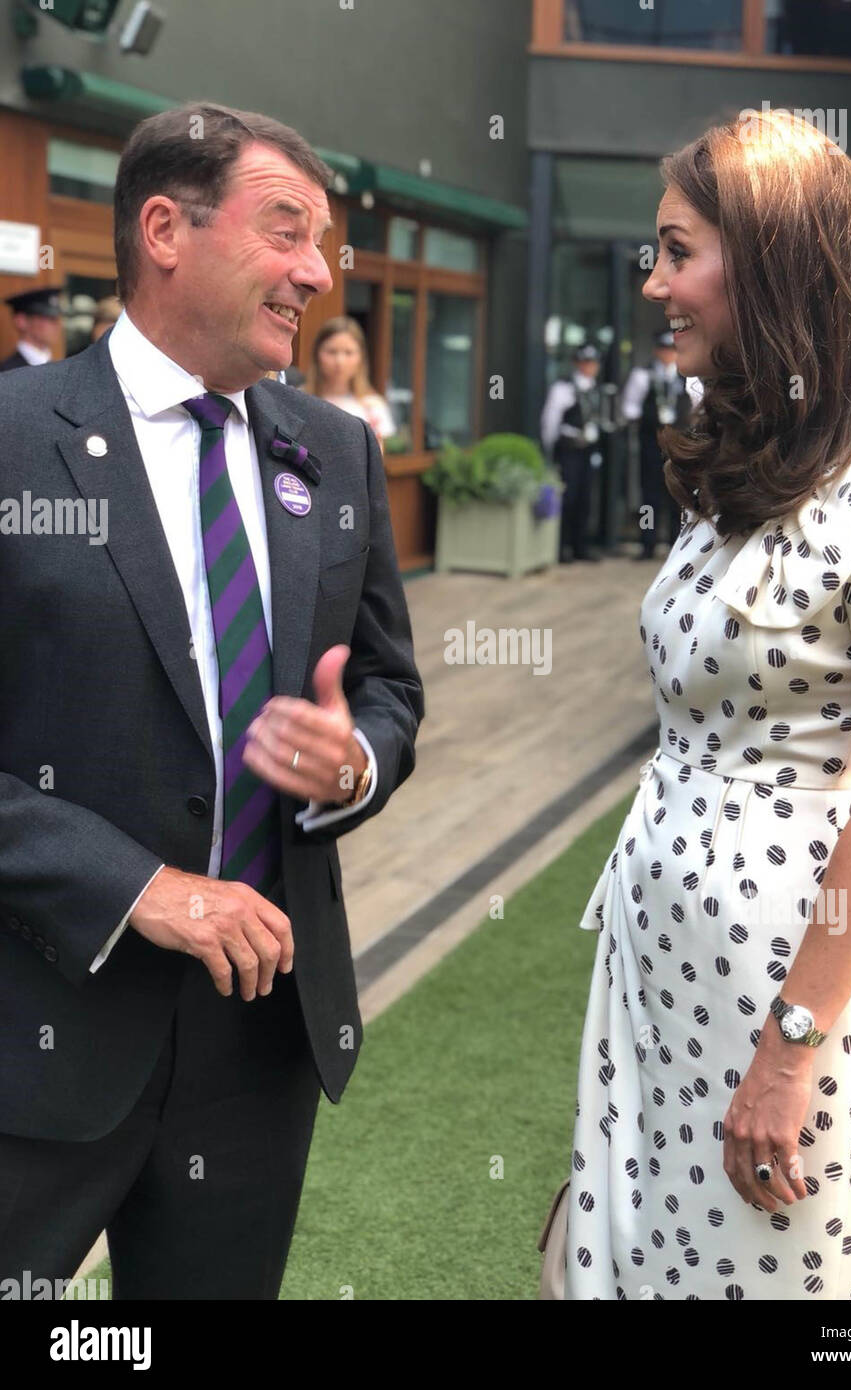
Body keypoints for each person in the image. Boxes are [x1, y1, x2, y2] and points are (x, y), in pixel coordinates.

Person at [0, 101, 424, 1299]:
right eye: (288, 230)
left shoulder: (334, 453)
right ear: (164, 228)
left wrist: (357, 765)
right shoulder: (12, 438)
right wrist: (140, 888)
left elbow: (388, 685)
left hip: (258, 1039)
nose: (315, 273)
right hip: (33, 1031)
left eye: (326, 242)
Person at [564, 108, 851, 1300]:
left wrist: (792, 1052)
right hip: (663, 955)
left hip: (785, 981)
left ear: (777, 257)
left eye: (678, 250)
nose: (654, 283)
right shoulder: (747, 458)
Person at [621, 328, 702, 560]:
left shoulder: (686, 376)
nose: (668, 355)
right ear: (657, 351)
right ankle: (648, 542)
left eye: (672, 350)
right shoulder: (643, 375)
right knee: (650, 494)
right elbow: (630, 407)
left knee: (679, 493)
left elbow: (697, 405)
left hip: (679, 443)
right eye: (664, 350)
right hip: (652, 441)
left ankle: (676, 543)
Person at [540, 342, 604, 563]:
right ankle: (560, 547)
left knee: (586, 498)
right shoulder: (563, 388)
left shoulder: (596, 388)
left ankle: (580, 546)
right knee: (568, 497)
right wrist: (550, 448)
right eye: (585, 362)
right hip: (569, 450)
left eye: (593, 363)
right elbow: (550, 421)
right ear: (577, 363)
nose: (589, 367)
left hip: (588, 449)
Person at [306, 315, 396, 452]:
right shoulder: (300, 398)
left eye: (348, 353)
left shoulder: (373, 406)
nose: (339, 362)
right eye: (331, 352)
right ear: (317, 353)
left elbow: (376, 463)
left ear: (360, 357)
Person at [0, 285, 63, 371]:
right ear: (21, 321)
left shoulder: (58, 368)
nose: (56, 325)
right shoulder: (6, 372)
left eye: (56, 319)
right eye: (47, 318)